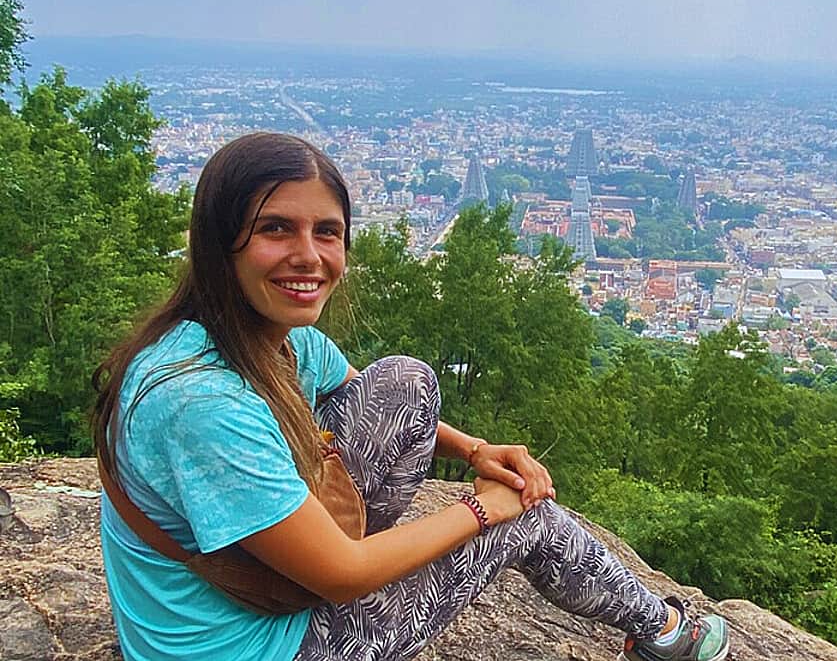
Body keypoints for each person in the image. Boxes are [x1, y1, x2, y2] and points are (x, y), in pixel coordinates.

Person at [93, 132, 730, 661]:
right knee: (523, 518)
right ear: (218, 242)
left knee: (406, 380)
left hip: (256, 597)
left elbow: (360, 392)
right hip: (256, 646)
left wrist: (475, 451)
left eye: (327, 232)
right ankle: (668, 636)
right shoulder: (201, 403)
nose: (308, 256)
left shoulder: (252, 336)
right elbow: (341, 575)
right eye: (276, 229)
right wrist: (481, 510)